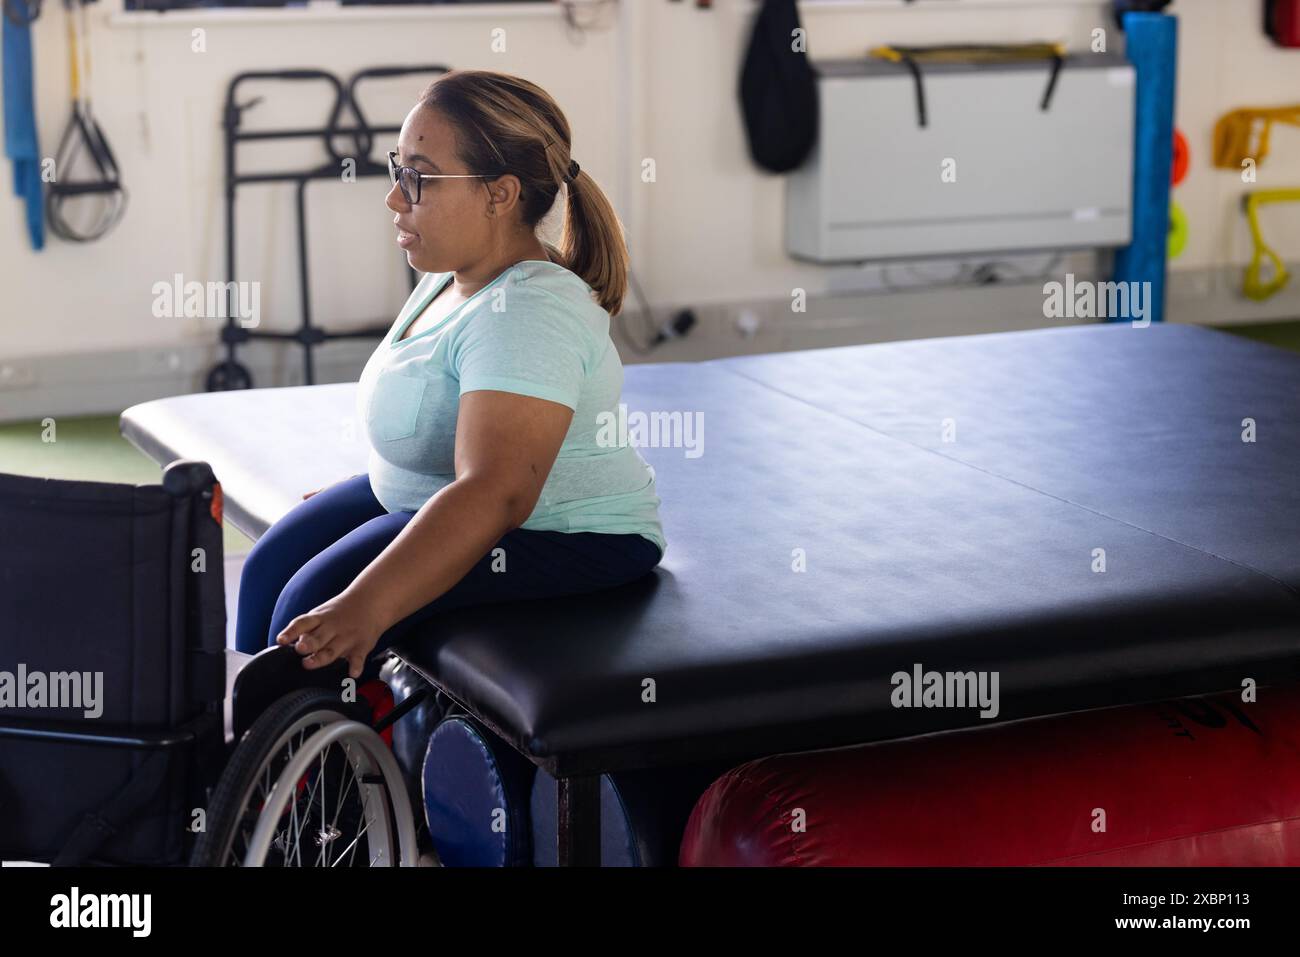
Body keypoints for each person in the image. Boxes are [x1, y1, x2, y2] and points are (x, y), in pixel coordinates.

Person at [233, 70, 666, 680]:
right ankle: (252, 759)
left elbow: (497, 493)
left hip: (570, 537)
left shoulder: (529, 314)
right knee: (270, 567)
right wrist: (386, 480)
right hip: (447, 497)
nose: (394, 197)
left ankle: (304, 769)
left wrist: (366, 606)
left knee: (312, 614)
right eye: (397, 168)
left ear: (500, 194)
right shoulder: (449, 275)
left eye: (420, 177)